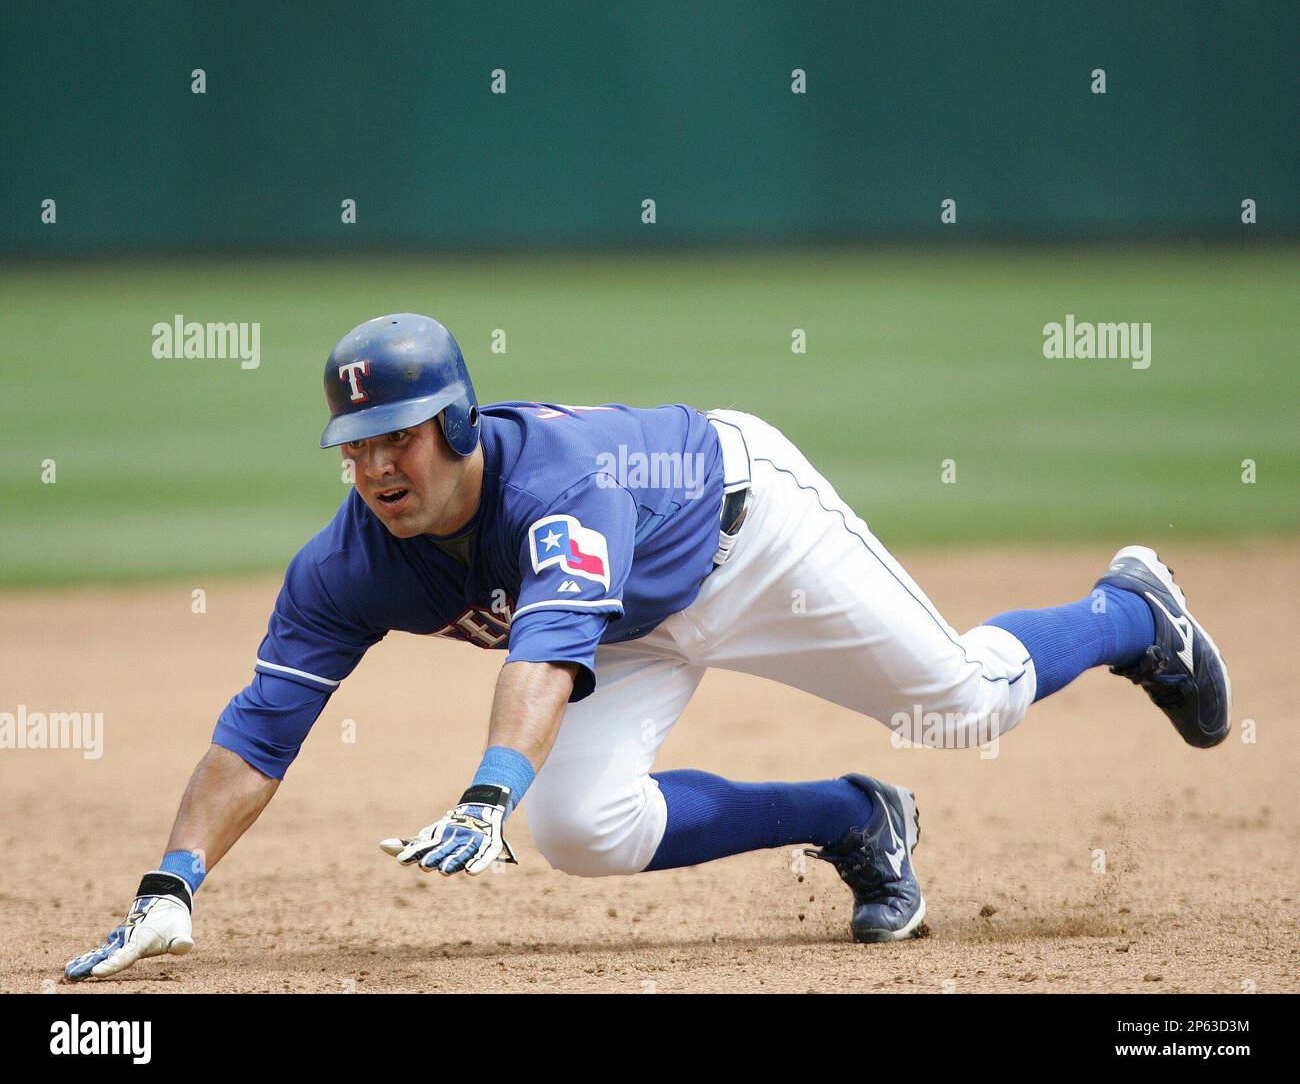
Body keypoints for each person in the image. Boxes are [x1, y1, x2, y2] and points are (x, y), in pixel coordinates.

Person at [64, 313, 1231, 980]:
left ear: (460, 423)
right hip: (626, 623)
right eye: (353, 445)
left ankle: (1134, 608)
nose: (372, 468)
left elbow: (543, 654)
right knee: (579, 825)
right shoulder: (349, 560)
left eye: (397, 438)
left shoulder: (558, 486)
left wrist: (483, 796)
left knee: (967, 704)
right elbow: (264, 721)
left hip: (747, 533)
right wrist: (172, 881)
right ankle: (857, 819)